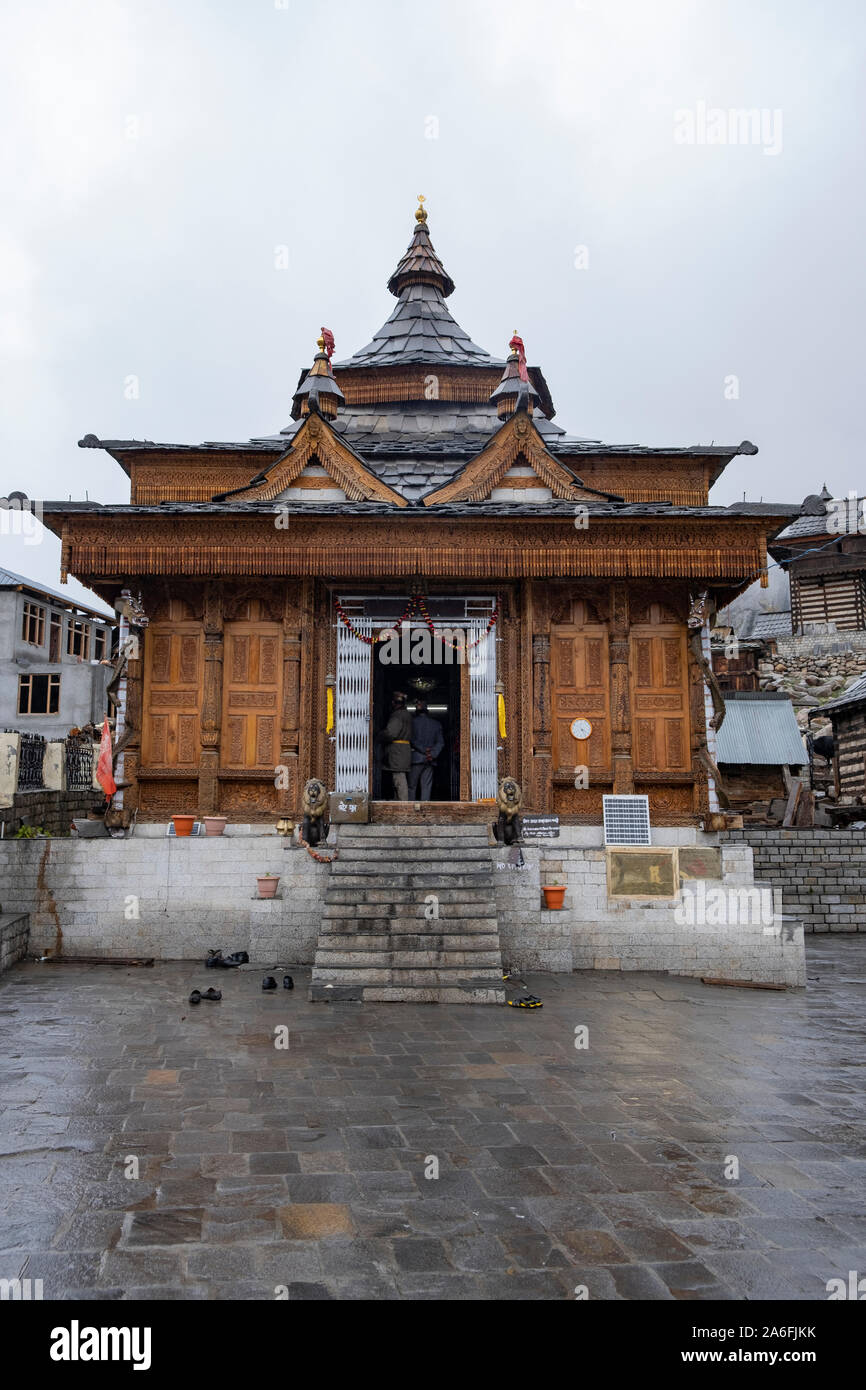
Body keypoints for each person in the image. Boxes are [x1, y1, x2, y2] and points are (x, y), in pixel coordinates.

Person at [379, 690, 413, 801]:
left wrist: (380, 735)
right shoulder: (406, 714)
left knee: (399, 778)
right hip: (403, 750)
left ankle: (403, 804)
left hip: (397, 751)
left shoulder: (397, 715)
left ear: (394, 703)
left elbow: (391, 733)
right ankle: (400, 802)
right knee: (398, 777)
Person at [408, 698, 444, 801]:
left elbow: (412, 739)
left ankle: (411, 810)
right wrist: (432, 754)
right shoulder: (436, 724)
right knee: (426, 786)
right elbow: (440, 743)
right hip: (430, 759)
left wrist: (424, 750)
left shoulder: (412, 722)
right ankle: (425, 809)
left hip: (416, 758)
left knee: (412, 786)